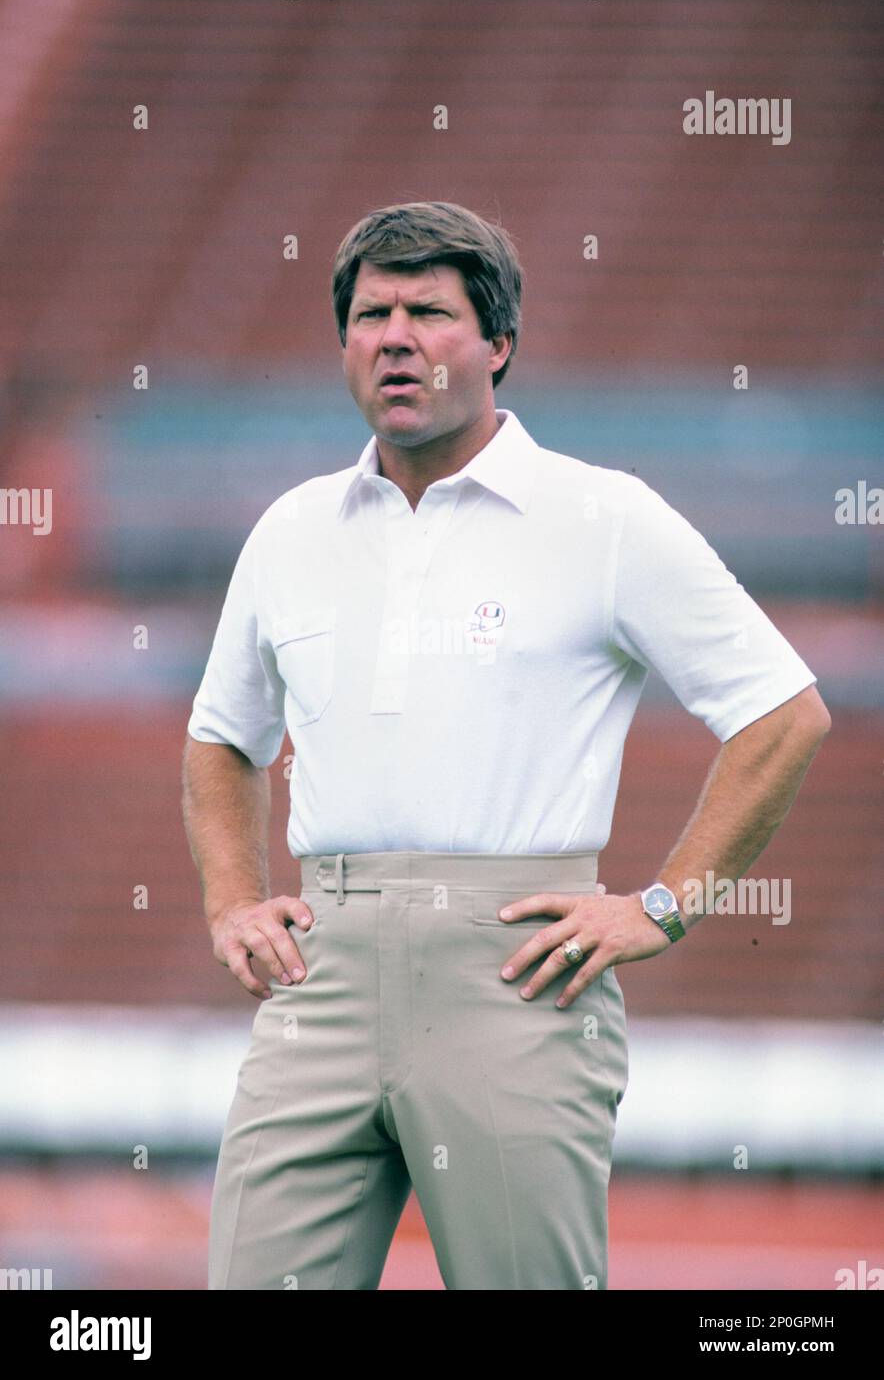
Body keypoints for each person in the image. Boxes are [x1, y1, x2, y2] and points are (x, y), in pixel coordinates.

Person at [181, 200, 831, 1291]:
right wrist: (230, 898)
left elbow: (780, 709)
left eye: (428, 311)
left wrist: (661, 906)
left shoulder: (599, 516)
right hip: (320, 969)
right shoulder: (290, 529)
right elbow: (221, 738)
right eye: (370, 312)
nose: (394, 335)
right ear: (343, 343)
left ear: (498, 345)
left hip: (515, 970)